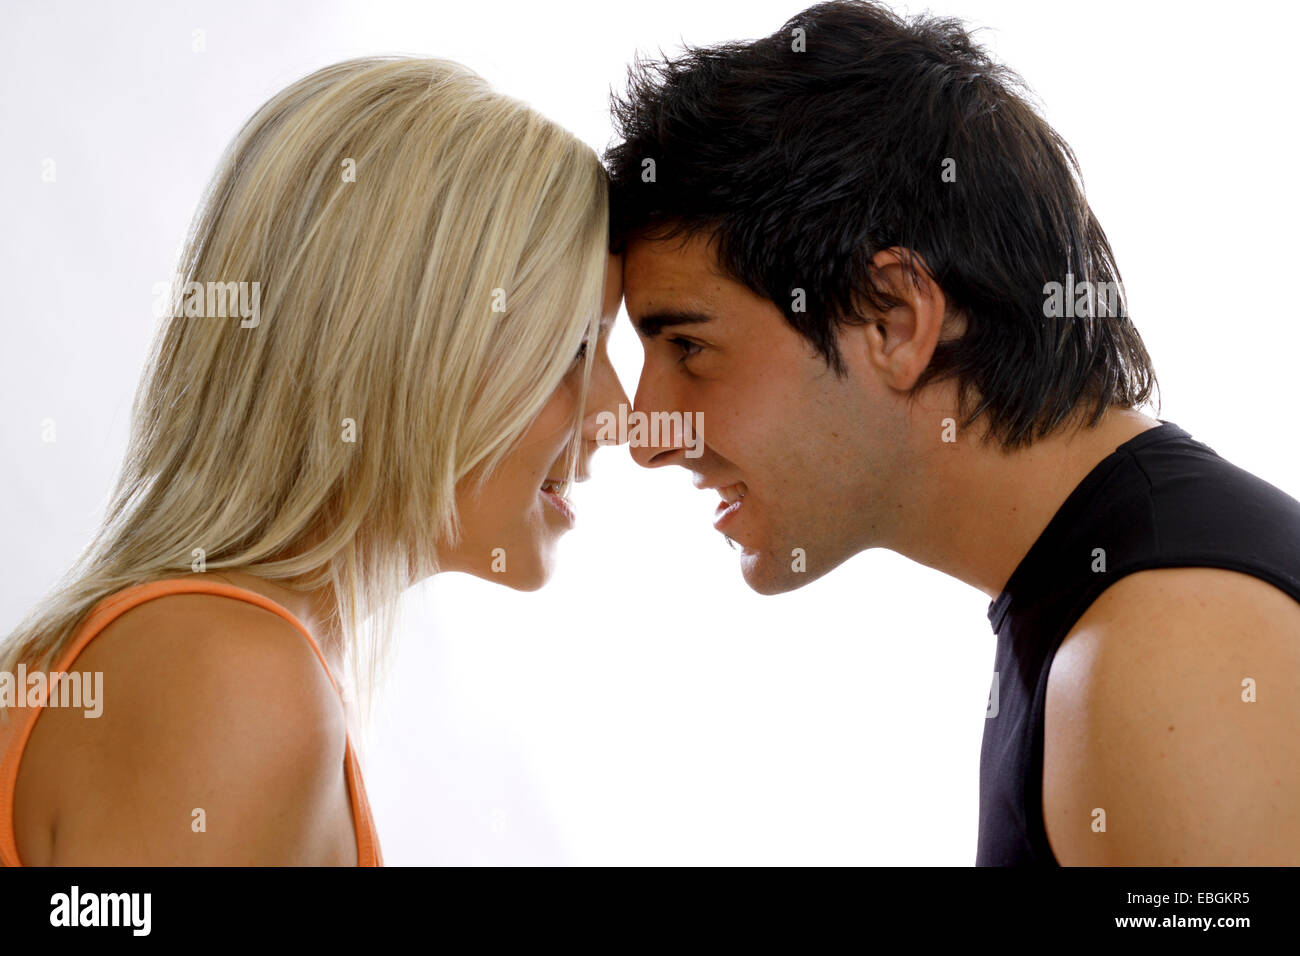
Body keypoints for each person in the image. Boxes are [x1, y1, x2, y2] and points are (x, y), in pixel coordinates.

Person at [604, 0, 1300, 865]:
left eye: (688, 346)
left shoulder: (1164, 654)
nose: (645, 433)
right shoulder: (1121, 600)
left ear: (895, 319)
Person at [0, 56, 627, 866]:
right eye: (575, 345)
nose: (617, 413)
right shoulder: (232, 677)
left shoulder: (224, 655)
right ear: (406, 346)